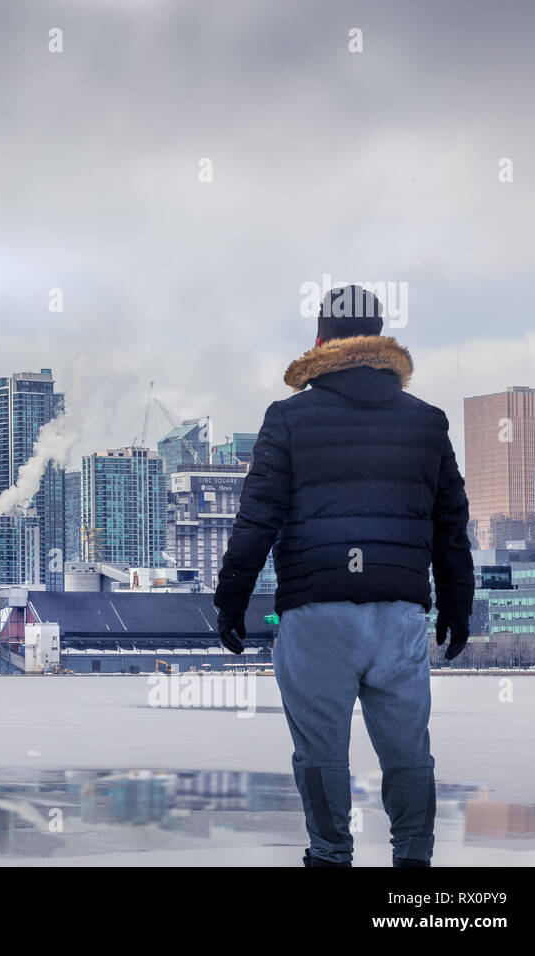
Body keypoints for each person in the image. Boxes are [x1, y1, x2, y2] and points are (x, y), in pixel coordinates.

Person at [213, 284, 474, 867]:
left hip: (314, 612)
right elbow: (450, 527)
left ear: (320, 341)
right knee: (408, 751)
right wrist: (458, 606)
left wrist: (230, 603)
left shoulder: (286, 419)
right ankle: (413, 863)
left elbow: (256, 520)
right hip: (398, 612)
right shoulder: (427, 422)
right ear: (381, 340)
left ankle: (330, 856)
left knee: (321, 753)